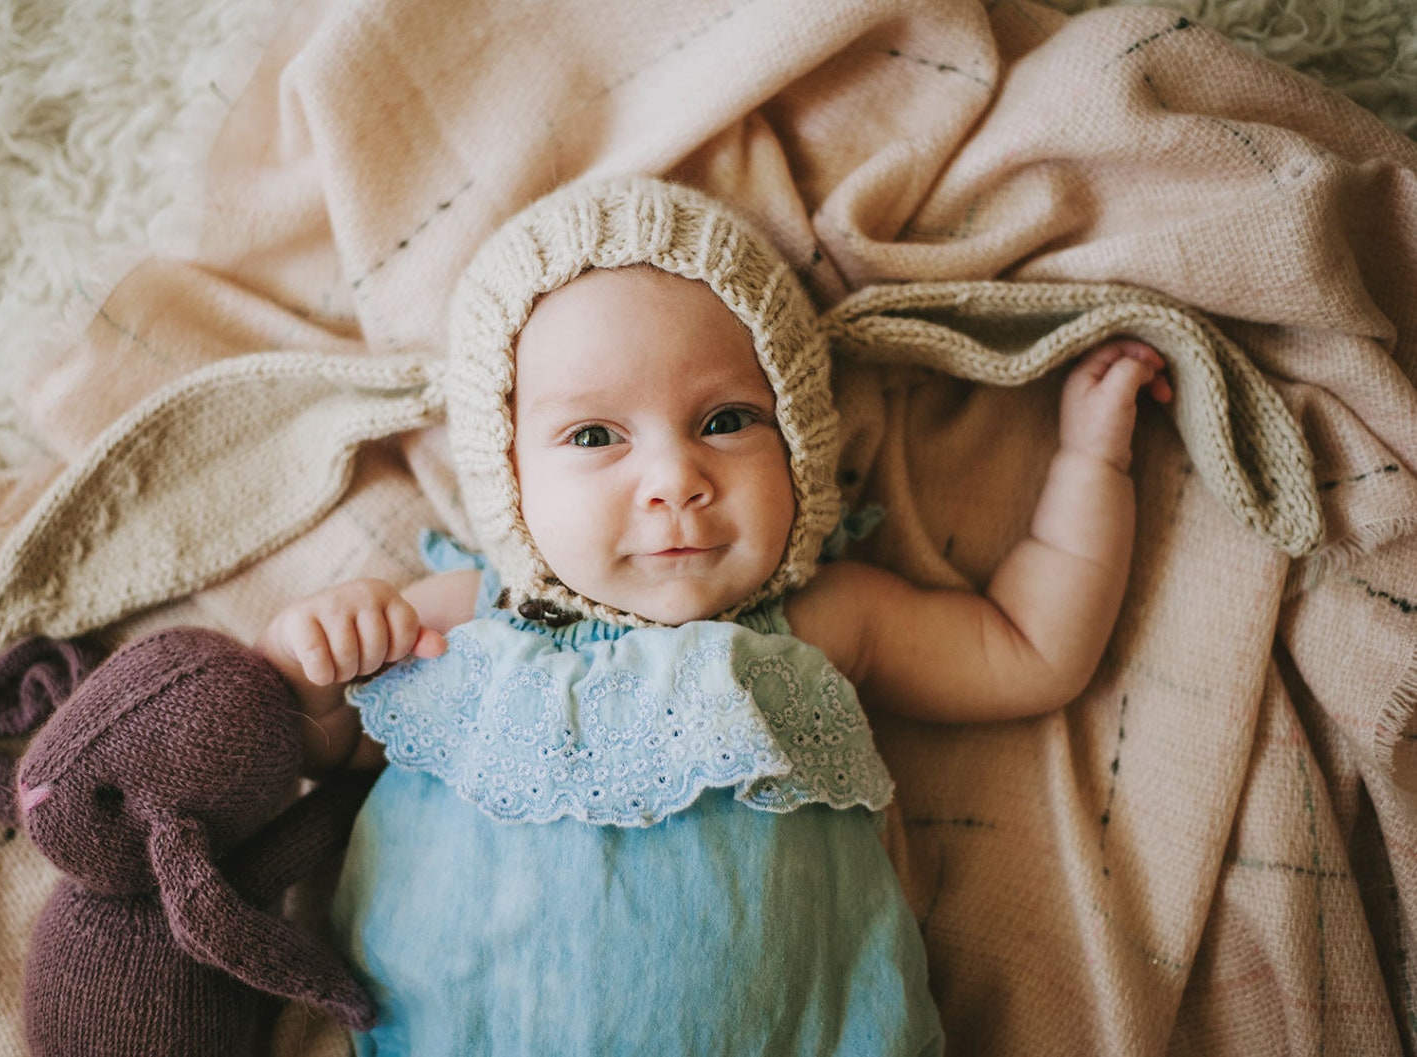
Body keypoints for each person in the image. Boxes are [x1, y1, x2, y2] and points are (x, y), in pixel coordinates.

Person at [257, 176, 1171, 1056]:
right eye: (594, 436)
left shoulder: (817, 621)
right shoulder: (462, 622)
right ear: (507, 472)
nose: (675, 482)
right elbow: (314, 744)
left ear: (801, 442)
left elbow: (1031, 652)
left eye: (726, 419)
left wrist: (1092, 464)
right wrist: (316, 660)